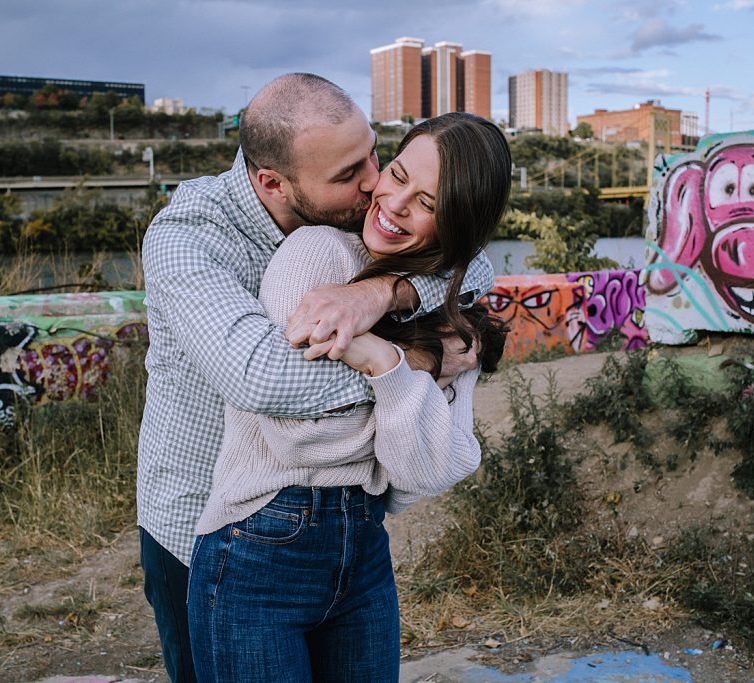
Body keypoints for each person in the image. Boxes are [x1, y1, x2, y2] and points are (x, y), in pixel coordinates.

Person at [138, 74, 495, 682]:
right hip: (203, 522)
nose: (373, 184)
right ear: (272, 183)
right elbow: (265, 380)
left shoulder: (354, 223)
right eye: (347, 174)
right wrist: (418, 361)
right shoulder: (188, 240)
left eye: (375, 156)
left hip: (344, 530)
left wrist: (385, 290)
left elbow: (473, 262)